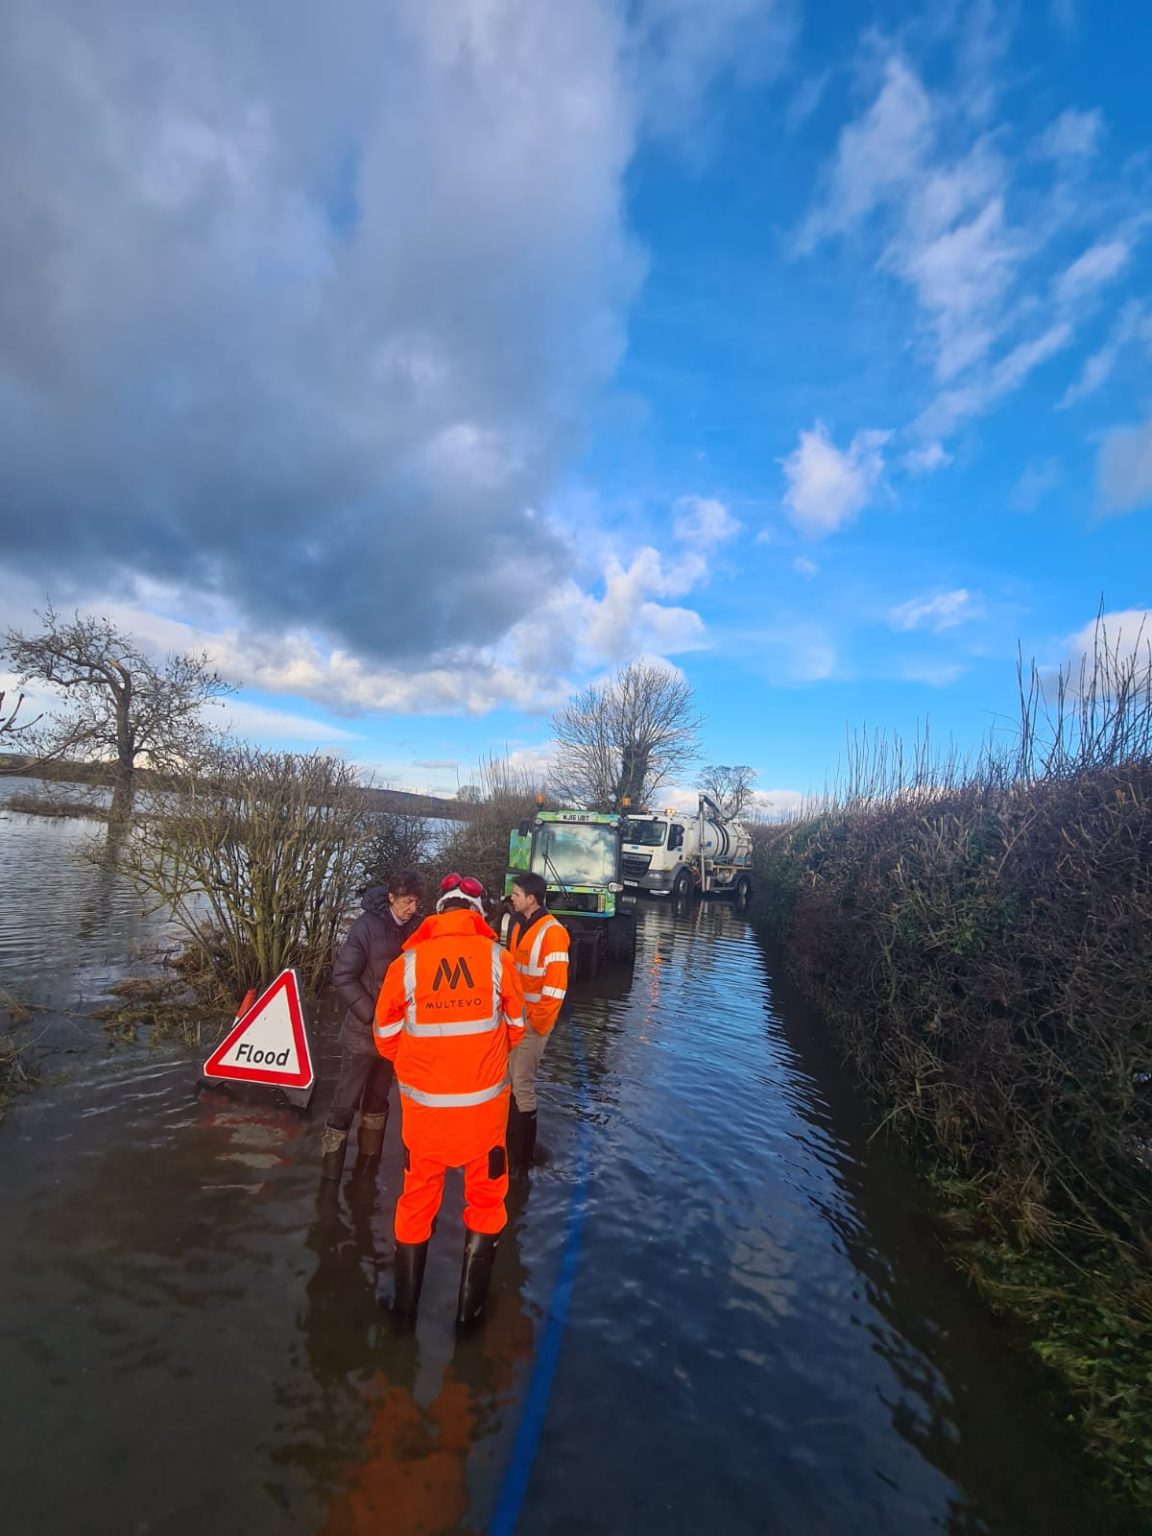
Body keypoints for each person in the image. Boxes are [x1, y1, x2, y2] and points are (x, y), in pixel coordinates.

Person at [373, 873, 525, 1328]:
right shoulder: (500, 959)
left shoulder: (409, 964)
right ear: (478, 915)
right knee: (486, 1203)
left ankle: (403, 1317)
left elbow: (384, 1036)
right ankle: (469, 1319)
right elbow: (516, 1029)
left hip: (426, 1119)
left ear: (438, 911)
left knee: (416, 1203)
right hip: (484, 1120)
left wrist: (421, 1066)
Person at [320, 870, 424, 1182]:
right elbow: (343, 977)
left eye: (417, 902)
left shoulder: (418, 929)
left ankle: (366, 1174)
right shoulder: (365, 926)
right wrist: (373, 1015)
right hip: (363, 1035)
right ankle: (329, 1178)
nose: (412, 908)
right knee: (344, 1104)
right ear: (391, 897)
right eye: (407, 902)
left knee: (378, 1103)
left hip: (395, 1038)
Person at [504, 870, 569, 1175]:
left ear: (531, 899)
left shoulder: (552, 932)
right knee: (507, 1080)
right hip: (515, 1021)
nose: (511, 897)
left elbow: (555, 989)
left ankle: (522, 1159)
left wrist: (538, 1024)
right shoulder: (518, 926)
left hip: (533, 1024)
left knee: (522, 1083)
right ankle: (509, 1144)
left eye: (516, 894)